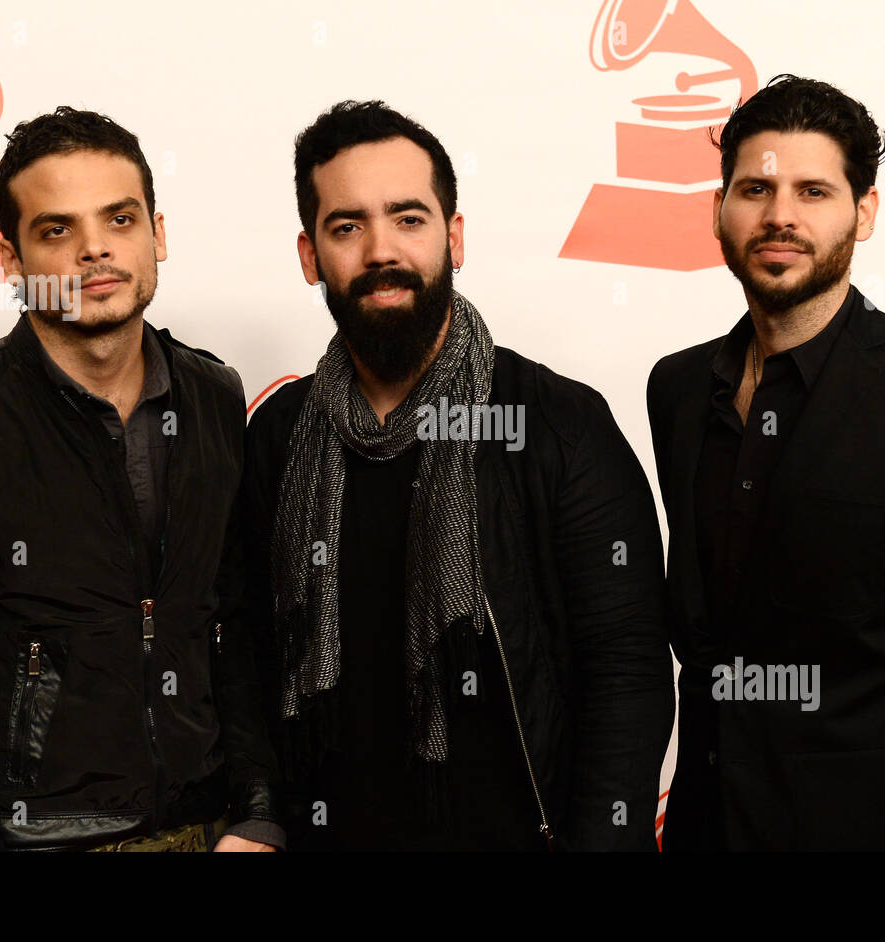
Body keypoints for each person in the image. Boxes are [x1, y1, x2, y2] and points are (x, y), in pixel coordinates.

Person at [225, 100, 674, 850]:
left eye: (408, 219)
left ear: (453, 237)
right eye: (347, 226)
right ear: (309, 256)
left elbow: (625, 673)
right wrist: (259, 811)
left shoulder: (558, 422)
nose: (380, 250)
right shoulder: (280, 433)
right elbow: (242, 646)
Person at [0, 107, 279, 852]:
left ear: (158, 234)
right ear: (11, 259)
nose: (96, 250)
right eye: (57, 230)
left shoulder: (214, 396)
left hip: (212, 832)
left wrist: (263, 813)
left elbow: (239, 632)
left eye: (120, 219)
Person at [647, 75, 885, 851]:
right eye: (755, 188)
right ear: (719, 211)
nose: (780, 215)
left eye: (813, 191)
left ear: (864, 214)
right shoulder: (680, 388)